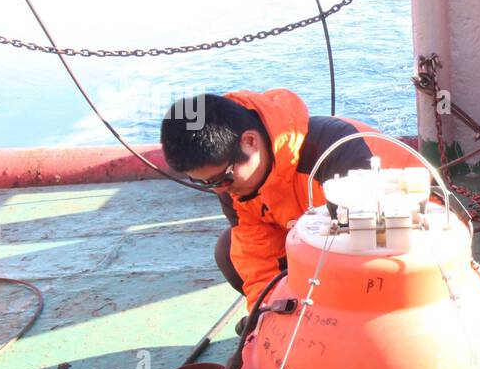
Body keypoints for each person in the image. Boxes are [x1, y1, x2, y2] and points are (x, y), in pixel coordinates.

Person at [159, 89, 379, 315]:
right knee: (228, 250)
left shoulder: (339, 153)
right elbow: (256, 261)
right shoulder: (232, 184)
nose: (219, 189)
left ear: (250, 141)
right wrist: (267, 317)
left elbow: (374, 248)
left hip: (382, 248)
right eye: (206, 183)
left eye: (222, 178)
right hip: (313, 242)